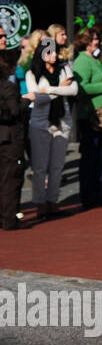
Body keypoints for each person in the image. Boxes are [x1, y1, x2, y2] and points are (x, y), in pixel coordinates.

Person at [24, 37, 78, 218]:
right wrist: (56, 89)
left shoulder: (64, 69)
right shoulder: (32, 73)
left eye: (55, 51)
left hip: (62, 122)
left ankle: (53, 201)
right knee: (40, 167)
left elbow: (73, 90)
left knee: (57, 166)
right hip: (40, 124)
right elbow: (36, 99)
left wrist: (49, 90)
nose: (54, 55)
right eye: (49, 51)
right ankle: (39, 203)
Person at [72, 29, 102, 208]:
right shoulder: (82, 61)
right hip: (91, 117)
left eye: (97, 39)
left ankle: (101, 194)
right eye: (92, 40)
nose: (96, 42)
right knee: (91, 158)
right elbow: (81, 88)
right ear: (84, 42)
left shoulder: (94, 59)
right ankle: (89, 196)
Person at [0, 42, 21, 230]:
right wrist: (25, 102)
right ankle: (9, 219)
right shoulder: (7, 87)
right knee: (9, 179)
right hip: (8, 137)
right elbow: (15, 112)